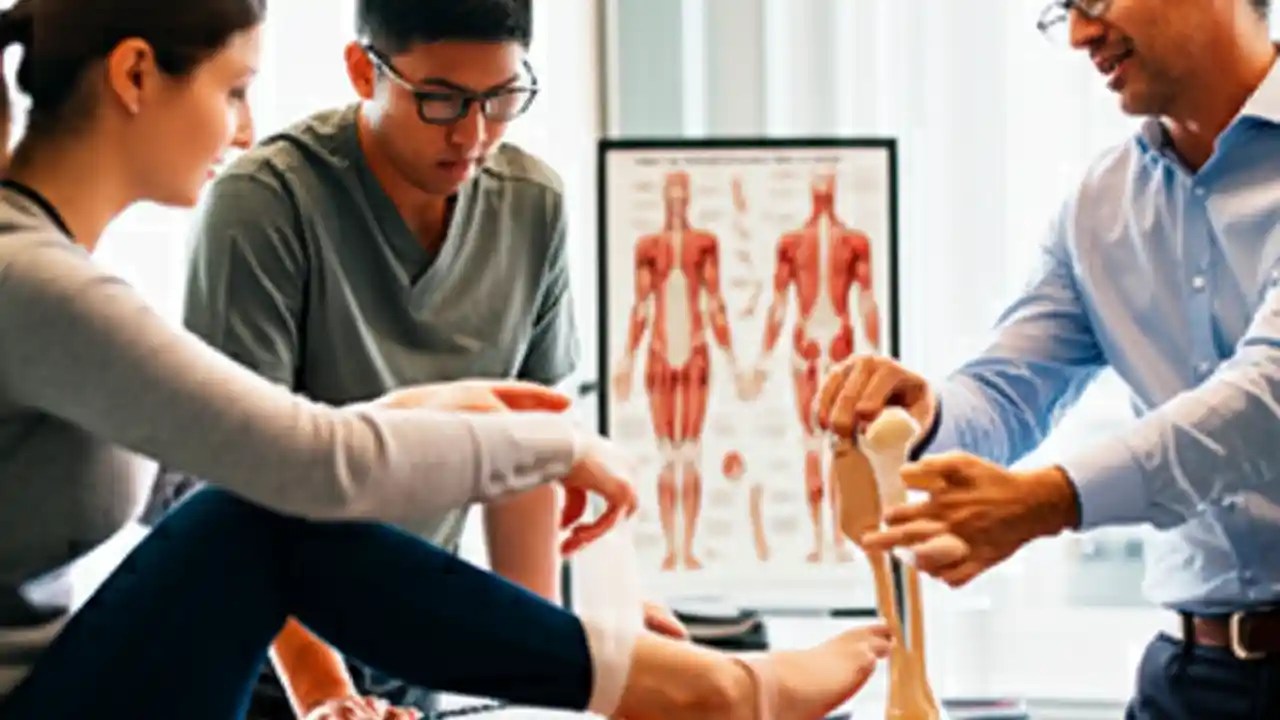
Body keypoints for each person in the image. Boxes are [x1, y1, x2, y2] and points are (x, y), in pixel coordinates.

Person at [0, 0, 894, 718]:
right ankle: (718, 691)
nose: (244, 127)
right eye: (234, 90)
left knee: (261, 506)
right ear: (135, 75)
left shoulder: (47, 272)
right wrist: (553, 448)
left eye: (498, 101)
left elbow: (197, 467)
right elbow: (289, 469)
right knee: (259, 510)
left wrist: (540, 622)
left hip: (161, 673)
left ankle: (662, 681)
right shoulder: (33, 280)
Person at [164, 1, 680, 716]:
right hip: (257, 656)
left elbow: (521, 460)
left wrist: (550, 662)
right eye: (439, 100)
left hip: (408, 646)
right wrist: (326, 694)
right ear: (362, 70)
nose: (473, 134)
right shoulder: (264, 205)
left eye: (501, 99)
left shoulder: (531, 206)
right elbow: (240, 487)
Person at [817, 0, 1280, 718]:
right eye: (1061, 11)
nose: (1077, 35)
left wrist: (1049, 501)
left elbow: (1265, 401)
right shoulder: (1100, 205)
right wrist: (925, 413)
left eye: (1093, 1)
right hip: (1193, 679)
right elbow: (1010, 390)